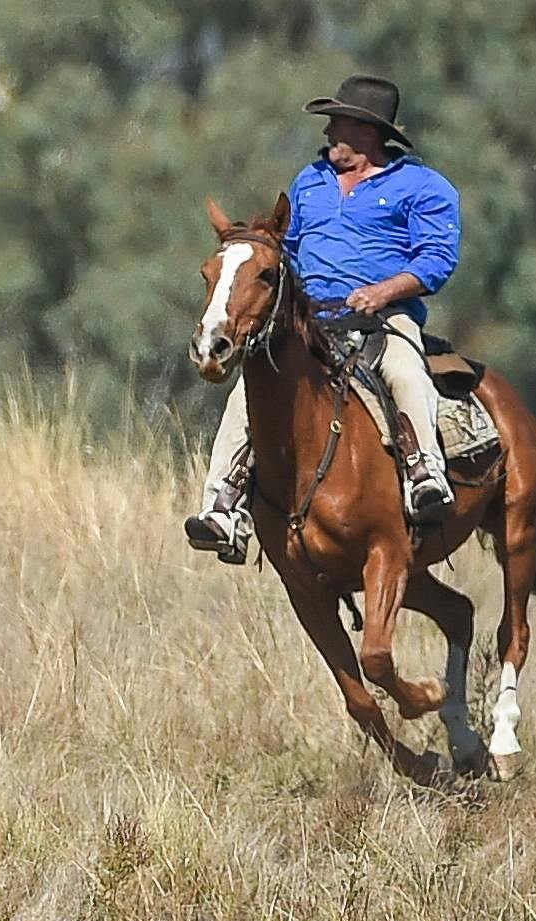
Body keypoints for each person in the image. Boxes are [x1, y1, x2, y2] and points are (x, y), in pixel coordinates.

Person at [188, 73, 465, 561]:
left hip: (384, 318)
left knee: (403, 370)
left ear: (368, 133)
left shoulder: (421, 187)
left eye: (337, 125)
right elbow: (286, 250)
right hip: (309, 321)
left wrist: (383, 292)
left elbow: (437, 258)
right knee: (249, 391)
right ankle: (222, 507)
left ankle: (426, 473)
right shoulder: (309, 182)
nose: (328, 134)